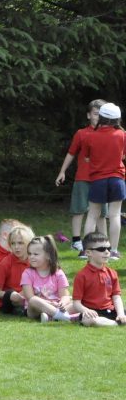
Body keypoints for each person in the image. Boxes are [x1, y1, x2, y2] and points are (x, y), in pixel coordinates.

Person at [56, 99, 106, 251]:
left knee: (102, 213)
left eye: (101, 114)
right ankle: (76, 240)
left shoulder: (109, 134)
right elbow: (71, 153)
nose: (98, 117)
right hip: (83, 178)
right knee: (79, 209)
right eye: (96, 114)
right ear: (89, 115)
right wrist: (62, 171)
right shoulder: (81, 133)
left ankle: (103, 242)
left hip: (102, 178)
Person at [81, 103, 126, 259]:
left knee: (92, 214)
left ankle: (86, 250)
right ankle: (113, 251)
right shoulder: (122, 135)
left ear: (101, 117)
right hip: (117, 179)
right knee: (114, 215)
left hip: (98, 179)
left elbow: (86, 157)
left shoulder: (90, 136)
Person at [72, 231, 126, 326]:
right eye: (101, 249)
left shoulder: (112, 273)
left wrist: (121, 313)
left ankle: (118, 320)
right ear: (88, 252)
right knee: (88, 320)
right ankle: (116, 323)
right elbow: (76, 303)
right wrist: (86, 310)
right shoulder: (82, 275)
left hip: (111, 310)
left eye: (108, 248)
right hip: (93, 312)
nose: (107, 252)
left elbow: (116, 297)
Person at [21, 235, 75, 323]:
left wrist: (62, 303)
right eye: (29, 254)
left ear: (48, 256)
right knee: (33, 300)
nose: (31, 257)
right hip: (35, 310)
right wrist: (49, 304)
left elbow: (64, 295)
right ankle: (65, 317)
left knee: (76, 304)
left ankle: (51, 317)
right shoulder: (27, 273)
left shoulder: (58, 273)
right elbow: (29, 297)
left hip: (56, 306)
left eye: (36, 254)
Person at [0, 224, 35, 314]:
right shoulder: (5, 263)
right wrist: (11, 295)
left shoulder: (35, 261)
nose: (16, 247)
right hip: (13, 298)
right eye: (13, 243)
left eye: (20, 243)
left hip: (33, 294)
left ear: (29, 243)